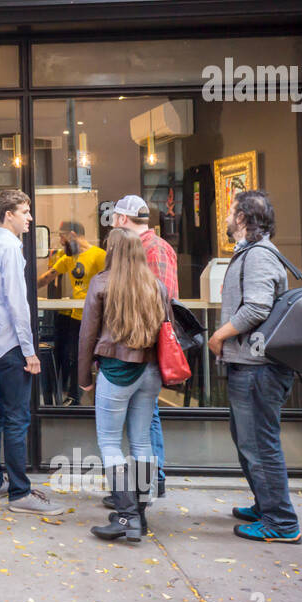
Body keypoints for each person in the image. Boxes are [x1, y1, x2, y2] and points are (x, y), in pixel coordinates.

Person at [209, 190, 302, 544]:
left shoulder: (260, 256)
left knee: (259, 444)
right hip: (250, 366)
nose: (226, 217)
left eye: (231, 211)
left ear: (244, 218)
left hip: (258, 368)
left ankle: (281, 522)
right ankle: (267, 506)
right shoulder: (251, 253)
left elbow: (257, 308)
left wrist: (219, 336)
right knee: (248, 441)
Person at [77, 228, 172, 542]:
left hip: (117, 371)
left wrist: (84, 379)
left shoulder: (102, 283)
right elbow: (166, 331)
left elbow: (87, 335)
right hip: (151, 372)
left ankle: (126, 516)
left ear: (112, 251)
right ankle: (140, 516)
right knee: (142, 442)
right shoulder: (155, 285)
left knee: (109, 444)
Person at [0, 190, 64, 516]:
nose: (29, 218)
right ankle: (19, 492)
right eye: (24, 212)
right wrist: (30, 351)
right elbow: (16, 302)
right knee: (16, 419)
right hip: (11, 345)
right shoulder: (10, 248)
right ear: (7, 214)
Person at [108, 194, 179, 504]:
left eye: (114, 219)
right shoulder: (139, 249)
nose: (111, 224)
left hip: (143, 349)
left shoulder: (156, 250)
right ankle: (146, 484)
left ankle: (152, 482)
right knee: (144, 419)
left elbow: (163, 303)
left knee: (146, 419)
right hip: (135, 348)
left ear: (124, 220)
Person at [38, 220, 106, 406]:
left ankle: (89, 397)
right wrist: (25, 289)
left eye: (61, 236)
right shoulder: (68, 257)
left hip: (97, 317)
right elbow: (47, 277)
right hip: (77, 317)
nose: (60, 241)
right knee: (75, 356)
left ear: (72, 235)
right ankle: (74, 397)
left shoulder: (99, 256)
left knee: (92, 356)